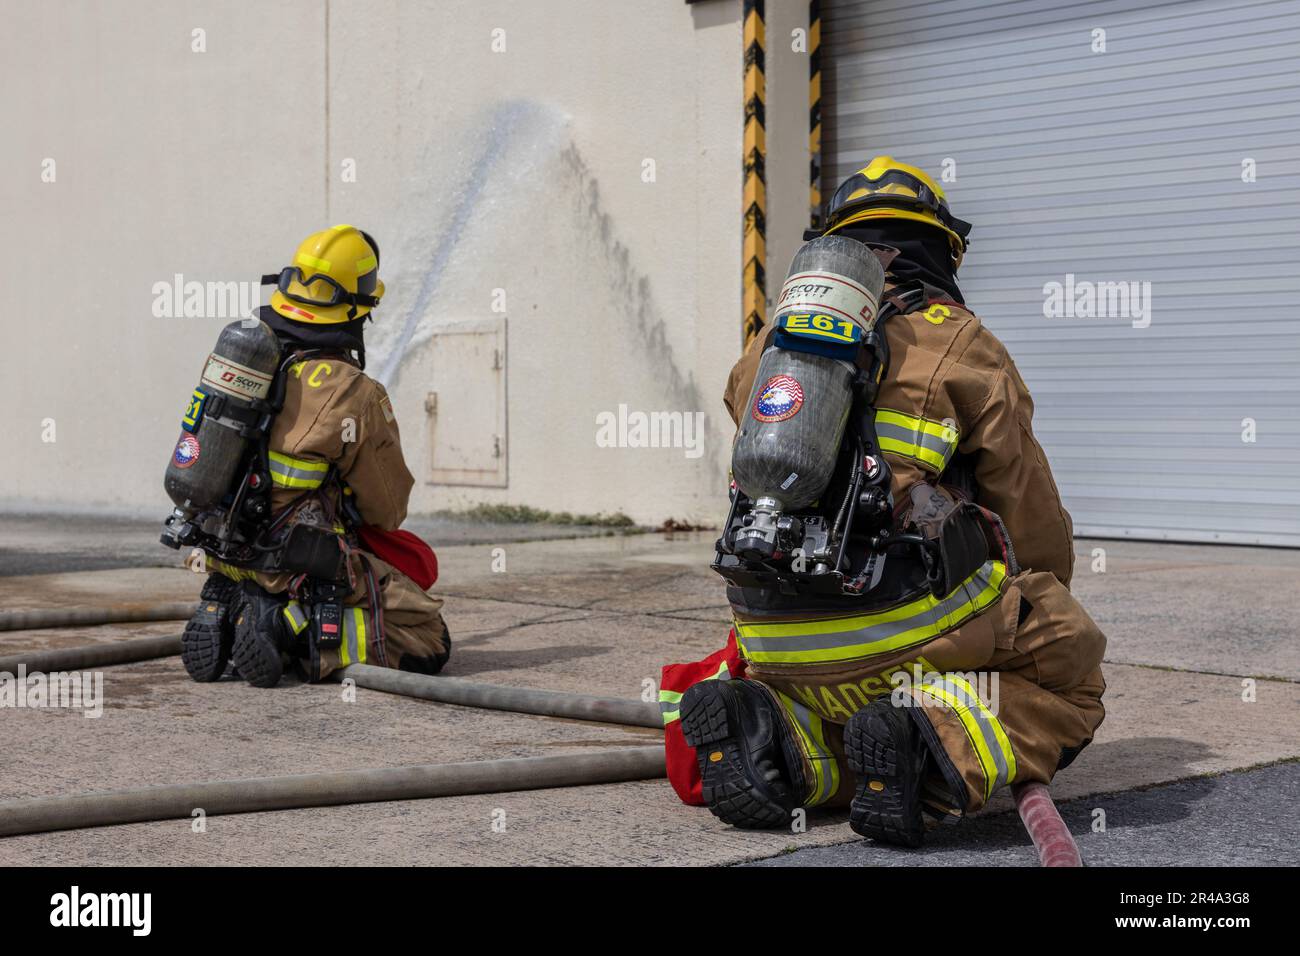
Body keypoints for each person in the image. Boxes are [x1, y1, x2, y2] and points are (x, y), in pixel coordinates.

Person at [681, 158, 1106, 846]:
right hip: (906, 629)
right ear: (943, 251)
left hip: (773, 638)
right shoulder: (965, 342)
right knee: (1073, 667)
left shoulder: (771, 342)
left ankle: (779, 735)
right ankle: (930, 740)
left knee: (850, 704)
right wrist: (1037, 600)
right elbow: (1028, 512)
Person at [180, 225, 450, 688]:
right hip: (295, 561)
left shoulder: (246, 359)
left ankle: (229, 599)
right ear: (358, 309)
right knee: (429, 639)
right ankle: (287, 628)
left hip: (221, 545)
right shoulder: (353, 390)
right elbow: (386, 511)